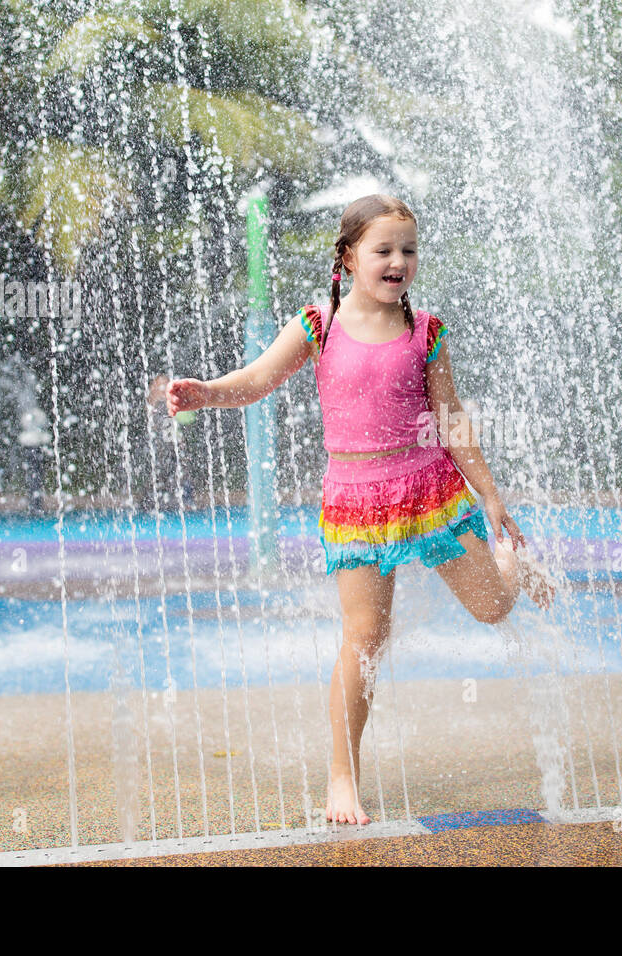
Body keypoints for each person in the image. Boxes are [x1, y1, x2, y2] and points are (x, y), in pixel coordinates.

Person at [166, 194, 557, 825]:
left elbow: (451, 420)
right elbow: (260, 379)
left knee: (492, 608)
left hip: (428, 494)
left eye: (408, 249)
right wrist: (207, 393)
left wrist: (488, 492)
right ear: (349, 258)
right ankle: (343, 775)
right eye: (383, 250)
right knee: (364, 638)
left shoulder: (425, 330)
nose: (398, 260)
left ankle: (514, 567)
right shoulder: (319, 324)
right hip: (355, 505)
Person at [147, 374, 196, 509]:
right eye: (159, 386)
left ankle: (186, 500)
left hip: (176, 447)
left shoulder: (176, 404)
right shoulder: (152, 406)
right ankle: (155, 500)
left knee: (182, 472)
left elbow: (189, 420)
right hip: (159, 449)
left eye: (165, 385)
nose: (162, 389)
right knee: (158, 473)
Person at [17, 406, 52, 513]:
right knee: (33, 478)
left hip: (35, 450)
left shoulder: (37, 436)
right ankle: (34, 502)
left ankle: (35, 502)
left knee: (35, 478)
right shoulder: (29, 437)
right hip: (33, 450)